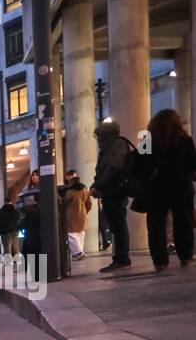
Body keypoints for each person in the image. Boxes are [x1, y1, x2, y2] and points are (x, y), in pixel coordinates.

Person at [141, 109, 195, 271]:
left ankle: (160, 261)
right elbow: (193, 164)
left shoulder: (148, 139)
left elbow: (140, 164)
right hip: (181, 185)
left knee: (156, 224)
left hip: (156, 187)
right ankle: (185, 256)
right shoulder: (185, 140)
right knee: (183, 221)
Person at [91, 119, 134, 273]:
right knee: (116, 226)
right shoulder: (107, 148)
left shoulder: (117, 144)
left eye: (99, 136)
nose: (98, 140)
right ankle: (119, 258)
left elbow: (114, 169)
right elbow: (102, 170)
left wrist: (98, 185)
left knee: (119, 226)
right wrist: (97, 185)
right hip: (108, 192)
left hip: (115, 191)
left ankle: (122, 259)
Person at [59, 169, 93, 262]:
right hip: (82, 214)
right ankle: (78, 253)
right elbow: (89, 203)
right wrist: (85, 211)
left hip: (70, 214)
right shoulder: (84, 189)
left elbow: (64, 204)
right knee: (80, 233)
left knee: (71, 234)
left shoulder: (68, 191)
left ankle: (78, 252)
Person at [15, 170, 41, 257]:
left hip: (41, 220)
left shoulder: (46, 187)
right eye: (33, 175)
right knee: (30, 244)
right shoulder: (26, 189)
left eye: (36, 175)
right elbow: (19, 203)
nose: (34, 177)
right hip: (30, 219)